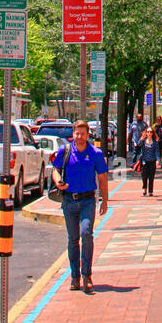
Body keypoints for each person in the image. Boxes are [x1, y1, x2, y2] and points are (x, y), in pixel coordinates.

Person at [50, 119, 109, 294]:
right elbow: (55, 169)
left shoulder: (96, 153)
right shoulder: (65, 150)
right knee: (73, 239)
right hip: (69, 200)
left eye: (83, 133)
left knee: (86, 233)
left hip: (88, 200)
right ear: (73, 134)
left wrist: (105, 200)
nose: (80, 137)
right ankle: (74, 276)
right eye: (77, 133)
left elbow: (103, 178)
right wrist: (58, 181)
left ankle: (86, 275)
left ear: (88, 134)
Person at [134, 125, 161, 196]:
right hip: (144, 161)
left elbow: (157, 152)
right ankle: (144, 188)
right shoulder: (143, 141)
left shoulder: (155, 143)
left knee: (151, 176)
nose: (149, 133)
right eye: (148, 132)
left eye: (150, 132)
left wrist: (158, 160)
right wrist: (142, 138)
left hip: (152, 161)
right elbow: (138, 145)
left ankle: (150, 191)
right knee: (144, 175)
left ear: (152, 133)